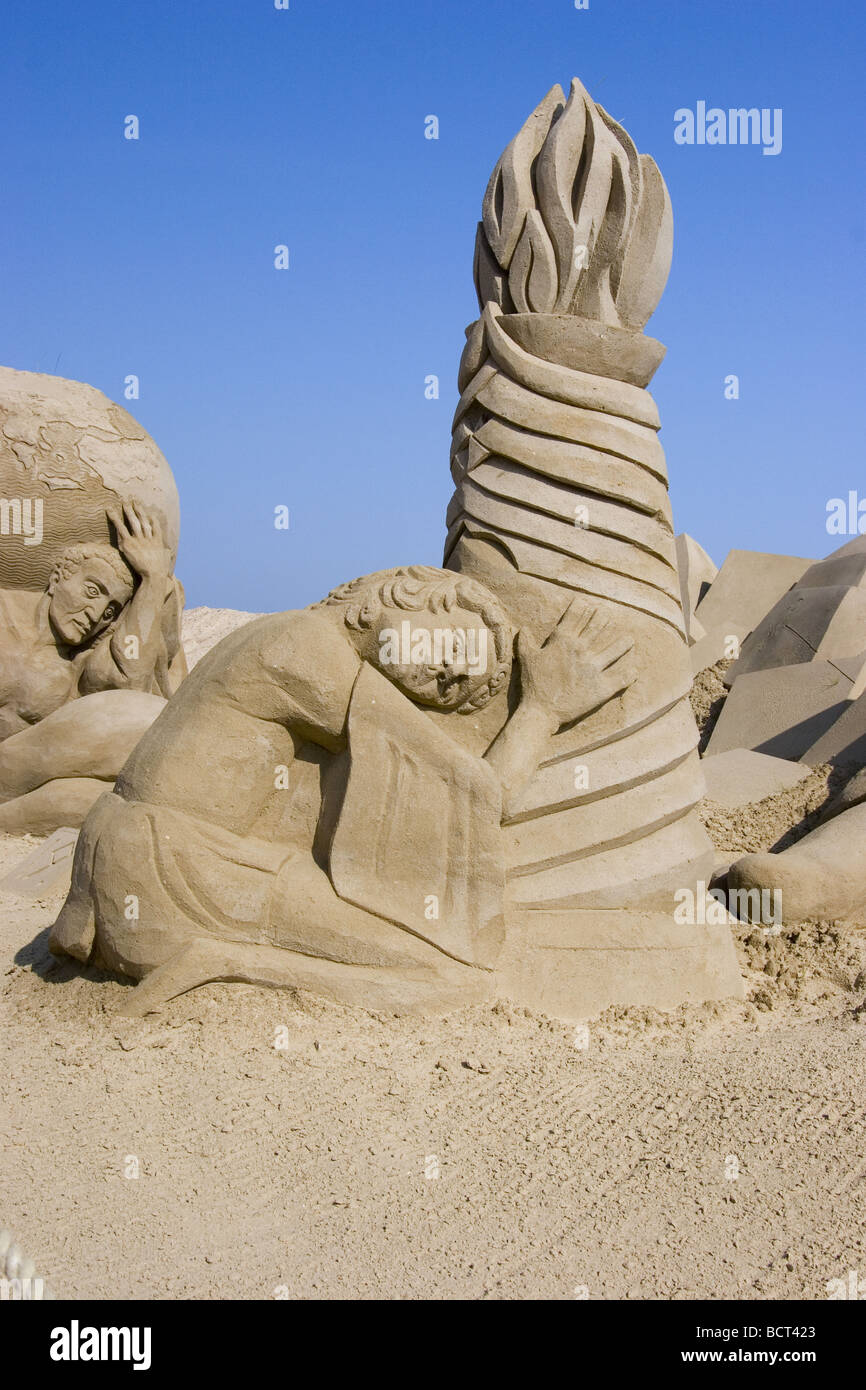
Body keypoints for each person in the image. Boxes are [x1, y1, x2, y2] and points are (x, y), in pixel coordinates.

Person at [50, 565, 633, 1014]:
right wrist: (543, 710)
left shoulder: (290, 632)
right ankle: (225, 960)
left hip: (156, 854)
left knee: (422, 956)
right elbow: (473, 792)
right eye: (456, 649)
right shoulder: (306, 650)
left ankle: (229, 955)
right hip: (164, 866)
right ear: (409, 597)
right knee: (447, 972)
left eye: (457, 687)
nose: (449, 674)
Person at [0, 502, 186, 832]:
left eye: (112, 609)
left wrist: (155, 580)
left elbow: (128, 690)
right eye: (91, 591)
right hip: (11, 772)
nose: (95, 613)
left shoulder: (85, 661)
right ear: (57, 577)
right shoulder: (5, 618)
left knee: (98, 802)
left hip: (22, 791)